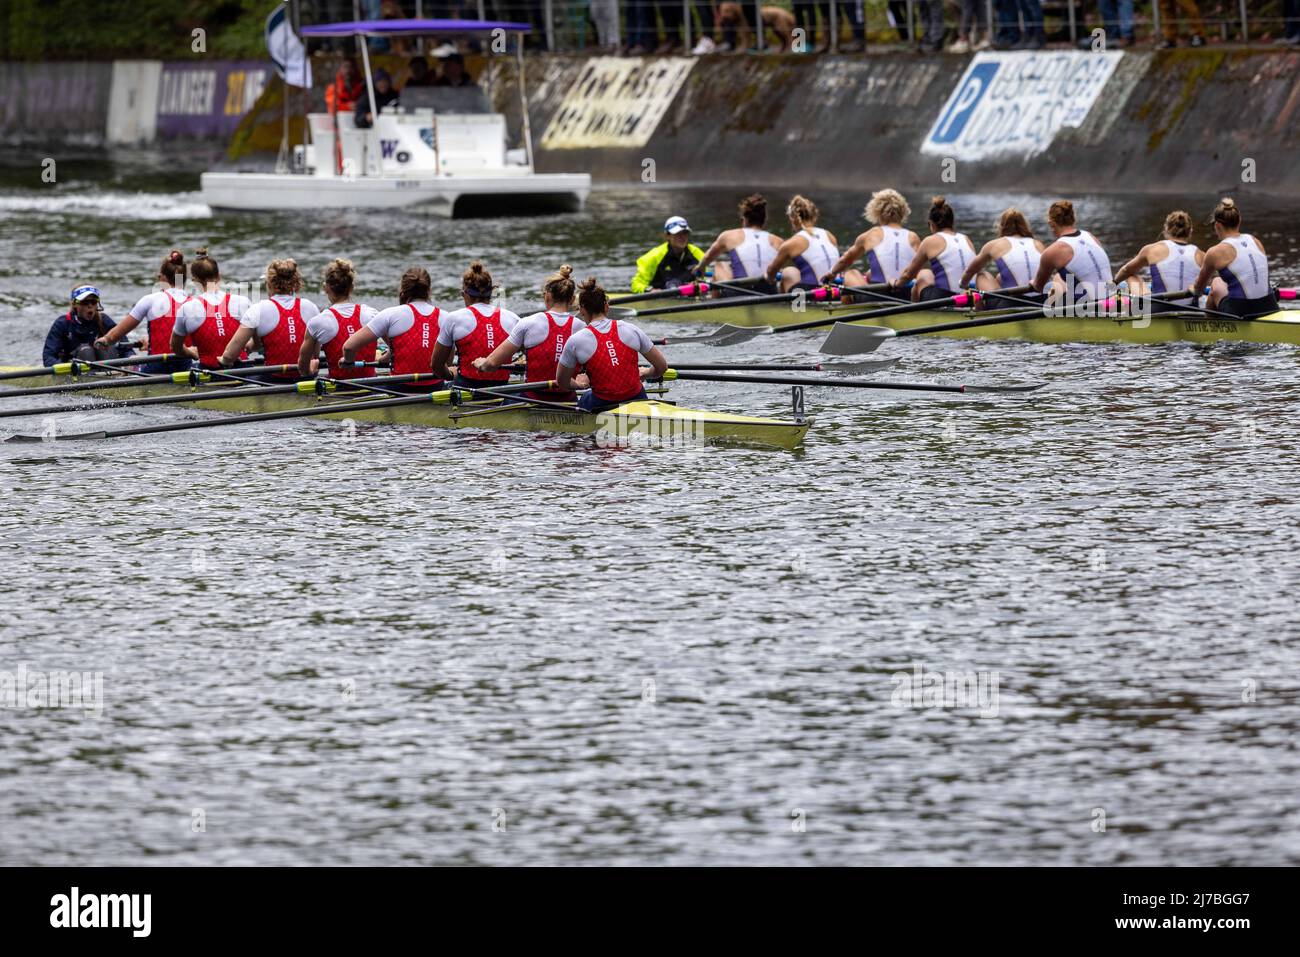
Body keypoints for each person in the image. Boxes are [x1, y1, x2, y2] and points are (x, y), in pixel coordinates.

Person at [473, 264, 586, 402]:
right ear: (573, 300)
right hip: (568, 401)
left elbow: (491, 364)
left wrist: (481, 364)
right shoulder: (583, 328)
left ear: (547, 296)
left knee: (505, 399)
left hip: (533, 400)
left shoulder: (529, 323)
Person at [556, 277, 670, 413]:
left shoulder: (575, 341)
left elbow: (562, 382)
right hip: (636, 399)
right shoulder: (631, 329)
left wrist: (580, 385)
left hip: (600, 404)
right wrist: (646, 372)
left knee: (586, 396)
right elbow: (662, 367)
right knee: (638, 391)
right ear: (606, 306)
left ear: (581, 311)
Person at [342, 267, 444, 391]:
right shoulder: (446, 317)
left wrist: (348, 361)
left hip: (399, 387)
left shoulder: (390, 314)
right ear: (429, 290)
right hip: (436, 388)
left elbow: (349, 347)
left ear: (402, 289)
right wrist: (389, 355)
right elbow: (445, 362)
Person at [95, 249, 192, 372]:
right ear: (183, 279)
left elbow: (116, 335)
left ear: (161, 277)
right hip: (186, 369)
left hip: (155, 369)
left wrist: (105, 340)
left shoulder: (149, 300)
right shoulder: (195, 303)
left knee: (131, 361)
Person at [221, 259, 320, 380]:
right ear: (295, 283)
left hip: (274, 379)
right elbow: (315, 354)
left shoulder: (258, 309)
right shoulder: (311, 307)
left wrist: (223, 360)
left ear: (270, 284)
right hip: (306, 378)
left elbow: (230, 355)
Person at [431, 261, 522, 391]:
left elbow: (436, 366)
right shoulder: (514, 319)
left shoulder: (453, 318)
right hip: (502, 391)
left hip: (464, 390)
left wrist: (450, 374)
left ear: (465, 294)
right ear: (491, 292)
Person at [822, 188, 919, 298]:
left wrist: (832, 273)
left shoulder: (871, 234)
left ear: (877, 211)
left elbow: (845, 260)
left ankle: (847, 309)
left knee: (851, 273)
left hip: (878, 295)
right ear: (903, 212)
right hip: (906, 295)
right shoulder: (913, 237)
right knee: (869, 273)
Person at [1190, 198, 1278, 319]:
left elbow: (1198, 289)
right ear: (1239, 221)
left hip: (1241, 312)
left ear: (1217, 225)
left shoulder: (1215, 252)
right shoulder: (1255, 241)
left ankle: (1209, 327)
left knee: (1216, 282)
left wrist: (1192, 288)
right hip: (1270, 306)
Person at [170, 248, 253, 370]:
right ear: (219, 276)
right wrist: (248, 346)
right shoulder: (243, 302)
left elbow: (175, 347)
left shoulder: (187, 308)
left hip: (210, 375)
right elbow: (259, 341)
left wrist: (191, 353)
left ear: (194, 280)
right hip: (244, 375)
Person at [300, 258, 378, 381]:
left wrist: (312, 370)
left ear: (326, 288)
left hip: (338, 389)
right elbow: (393, 348)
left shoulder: (318, 322)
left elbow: (303, 369)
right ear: (352, 287)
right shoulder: (372, 313)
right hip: (373, 386)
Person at [891, 196, 978, 302]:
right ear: (952, 222)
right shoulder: (966, 239)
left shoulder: (930, 241)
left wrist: (896, 284)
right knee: (930, 274)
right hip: (971, 298)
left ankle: (916, 314)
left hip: (946, 300)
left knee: (923, 274)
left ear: (931, 224)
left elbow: (909, 274)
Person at [1112, 210, 1203, 308]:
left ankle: (1138, 314)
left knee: (1132, 277)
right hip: (1192, 311)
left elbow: (1126, 270)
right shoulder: (1201, 255)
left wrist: (1114, 283)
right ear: (1190, 231)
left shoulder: (1152, 249)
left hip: (1158, 311)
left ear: (1166, 229)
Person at [1031, 200, 1114, 305]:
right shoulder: (1091, 237)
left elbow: (1038, 287)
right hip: (1113, 300)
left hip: (1090, 308)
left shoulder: (1052, 252)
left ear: (1051, 224)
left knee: (1057, 280)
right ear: (1073, 220)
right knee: (1061, 278)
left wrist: (1032, 283)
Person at [696, 194, 784, 292]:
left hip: (739, 294)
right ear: (764, 221)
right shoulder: (778, 241)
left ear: (744, 219)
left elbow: (708, 258)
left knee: (720, 266)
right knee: (786, 272)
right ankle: (784, 302)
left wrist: (699, 268)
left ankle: (715, 304)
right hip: (768, 293)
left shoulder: (728, 236)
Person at [959, 208, 1046, 306]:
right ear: (1025, 226)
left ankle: (979, 315)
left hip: (1010, 304)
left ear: (1001, 226)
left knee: (981, 275)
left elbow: (970, 271)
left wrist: (962, 285)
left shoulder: (994, 245)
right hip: (1041, 302)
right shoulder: (1038, 244)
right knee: (1000, 277)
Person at [765, 195, 843, 293]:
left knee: (789, 271)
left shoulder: (791, 243)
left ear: (792, 219)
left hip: (812, 295)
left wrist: (769, 277)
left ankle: (791, 307)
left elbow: (771, 273)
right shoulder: (830, 236)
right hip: (837, 292)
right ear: (814, 217)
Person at [43, 286, 132, 367]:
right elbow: (48, 357)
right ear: (75, 304)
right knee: (86, 351)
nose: (90, 305)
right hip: (74, 370)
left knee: (103, 348)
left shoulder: (104, 320)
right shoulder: (62, 323)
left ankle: (109, 378)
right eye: (85, 302)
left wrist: (131, 358)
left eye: (93, 302)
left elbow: (126, 348)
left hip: (105, 369)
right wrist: (61, 367)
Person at [630, 216, 705, 293]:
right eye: (677, 233)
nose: (682, 237)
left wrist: (700, 283)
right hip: (659, 300)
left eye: (685, 233)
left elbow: (707, 279)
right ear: (667, 236)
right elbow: (636, 285)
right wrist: (650, 290)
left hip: (688, 297)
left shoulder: (698, 254)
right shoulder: (653, 257)